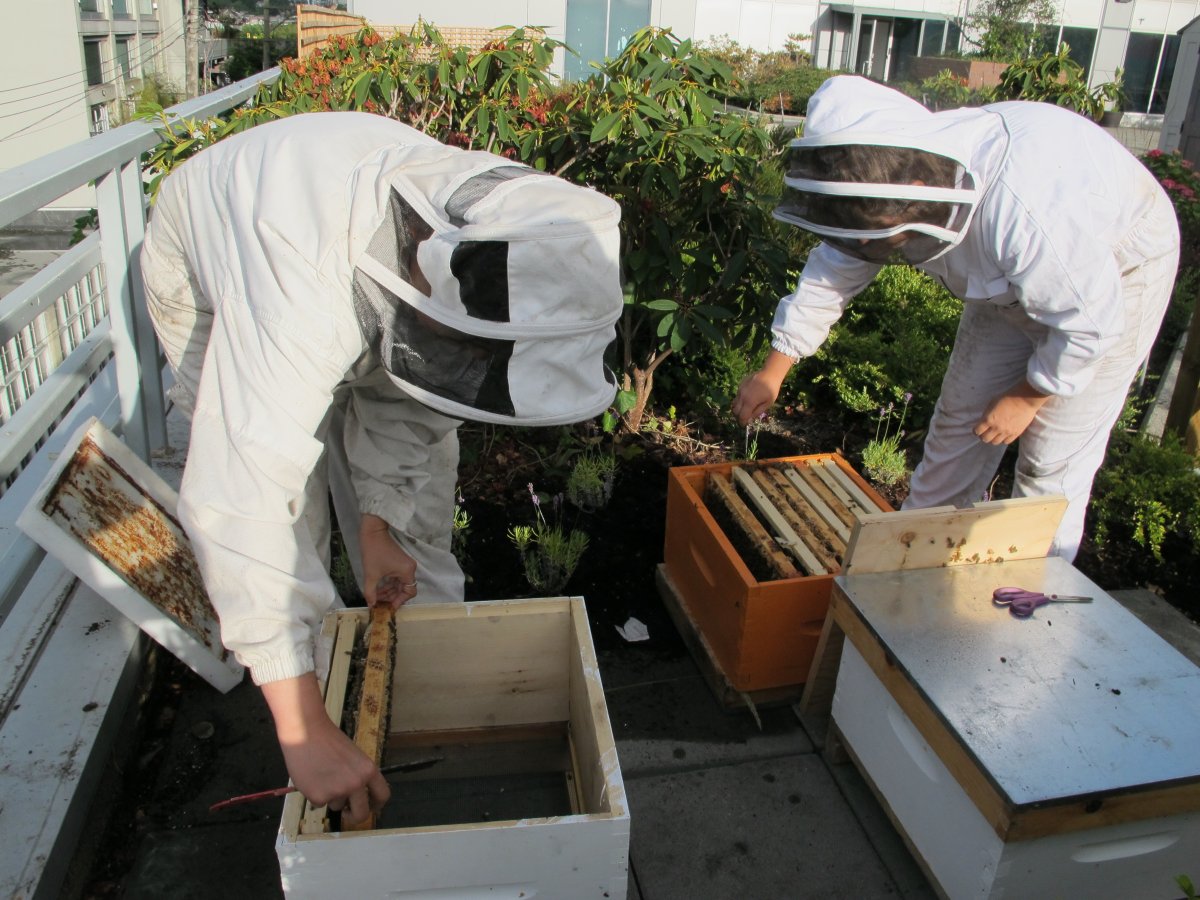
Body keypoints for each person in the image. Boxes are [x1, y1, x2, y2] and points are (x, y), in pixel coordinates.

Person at [140, 112, 623, 824]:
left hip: (349, 252)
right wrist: (300, 724)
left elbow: (424, 397)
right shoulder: (300, 296)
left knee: (413, 510)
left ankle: (422, 691)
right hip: (221, 242)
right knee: (286, 507)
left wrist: (377, 523)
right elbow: (239, 492)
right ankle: (305, 715)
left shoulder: (487, 240)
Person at [734, 75, 1179, 562]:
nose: (866, 246)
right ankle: (912, 573)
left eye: (875, 234)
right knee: (958, 429)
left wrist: (1028, 396)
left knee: (1050, 463)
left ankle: (1029, 610)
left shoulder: (1024, 210)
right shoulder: (876, 189)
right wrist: (772, 372)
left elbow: (1089, 323)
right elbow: (832, 271)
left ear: (919, 190)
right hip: (1013, 285)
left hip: (1118, 269)